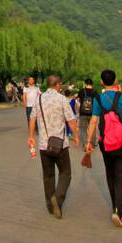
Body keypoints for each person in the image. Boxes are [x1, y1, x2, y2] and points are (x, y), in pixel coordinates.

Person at [85, 69, 122, 228]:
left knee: (110, 174)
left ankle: (114, 204)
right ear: (115, 82)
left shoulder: (98, 99)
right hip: (121, 143)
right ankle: (117, 210)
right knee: (121, 175)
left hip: (105, 143)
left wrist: (88, 141)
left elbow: (93, 122)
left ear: (101, 82)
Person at [29, 74, 78, 219]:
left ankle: (50, 206)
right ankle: (58, 197)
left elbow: (32, 119)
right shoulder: (62, 99)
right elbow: (71, 120)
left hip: (44, 144)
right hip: (60, 144)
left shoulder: (39, 99)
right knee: (65, 173)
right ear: (57, 85)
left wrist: (30, 137)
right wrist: (76, 136)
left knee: (48, 175)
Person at [76, 79, 98, 146]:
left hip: (83, 112)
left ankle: (85, 143)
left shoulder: (81, 91)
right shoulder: (95, 92)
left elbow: (78, 100)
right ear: (92, 84)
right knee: (93, 128)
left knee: (83, 128)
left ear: (85, 84)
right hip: (93, 113)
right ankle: (93, 143)